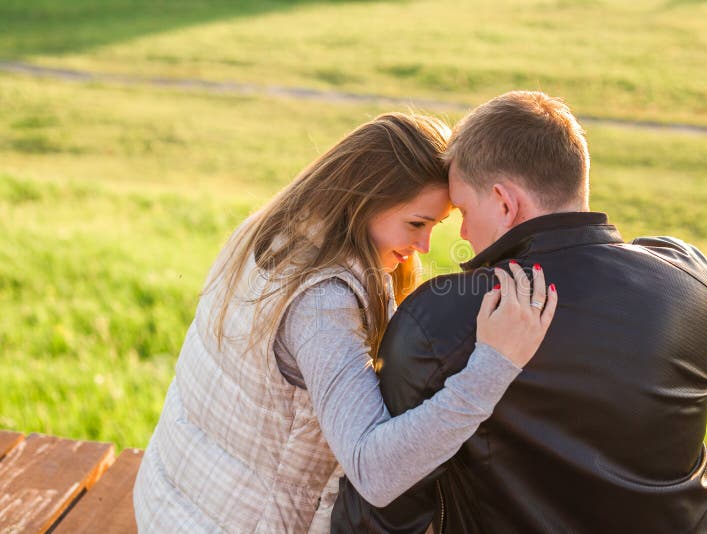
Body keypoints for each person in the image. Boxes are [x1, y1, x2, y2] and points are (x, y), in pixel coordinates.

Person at [332, 92, 707, 533]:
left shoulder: (438, 320)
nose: (462, 231)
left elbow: (379, 518)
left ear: (504, 202)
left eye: (463, 209)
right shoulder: (690, 276)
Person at [132, 112, 558, 533]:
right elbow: (375, 472)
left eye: (435, 225)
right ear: (364, 201)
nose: (424, 245)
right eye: (416, 223)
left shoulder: (272, 233)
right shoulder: (321, 303)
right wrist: (495, 364)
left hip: (169, 503)